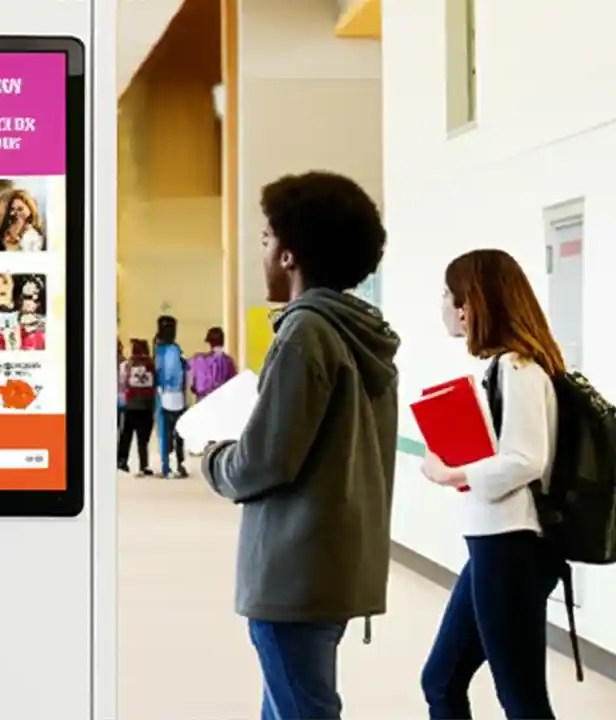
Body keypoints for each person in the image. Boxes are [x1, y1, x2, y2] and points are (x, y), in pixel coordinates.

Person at [200, 171, 398, 720]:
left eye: (266, 240)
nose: (260, 252)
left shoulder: (305, 331)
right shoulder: (361, 332)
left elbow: (267, 458)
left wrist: (215, 459)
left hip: (292, 570)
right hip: (334, 563)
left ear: (290, 256)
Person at [418, 249, 565, 720]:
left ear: (468, 305)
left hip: (512, 551)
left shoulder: (517, 368)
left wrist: (452, 473)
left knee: (521, 699)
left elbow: (526, 459)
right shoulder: (509, 368)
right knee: (440, 680)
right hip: (495, 547)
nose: (442, 305)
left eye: (446, 294)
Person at [153, 315, 189, 478]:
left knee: (164, 433)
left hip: (163, 395)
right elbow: (184, 371)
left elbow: (158, 371)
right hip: (179, 396)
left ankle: (166, 466)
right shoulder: (177, 350)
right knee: (179, 433)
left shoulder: (159, 350)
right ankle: (180, 464)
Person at [118, 339, 156, 475]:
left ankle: (122, 461)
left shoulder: (126, 365)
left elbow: (122, 383)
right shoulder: (151, 364)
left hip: (131, 405)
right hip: (146, 406)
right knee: (143, 440)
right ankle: (143, 465)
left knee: (126, 435)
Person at [188, 326, 238, 401]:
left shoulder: (199, 360)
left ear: (210, 343)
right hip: (222, 400)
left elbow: (195, 387)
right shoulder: (228, 361)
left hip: (204, 400)